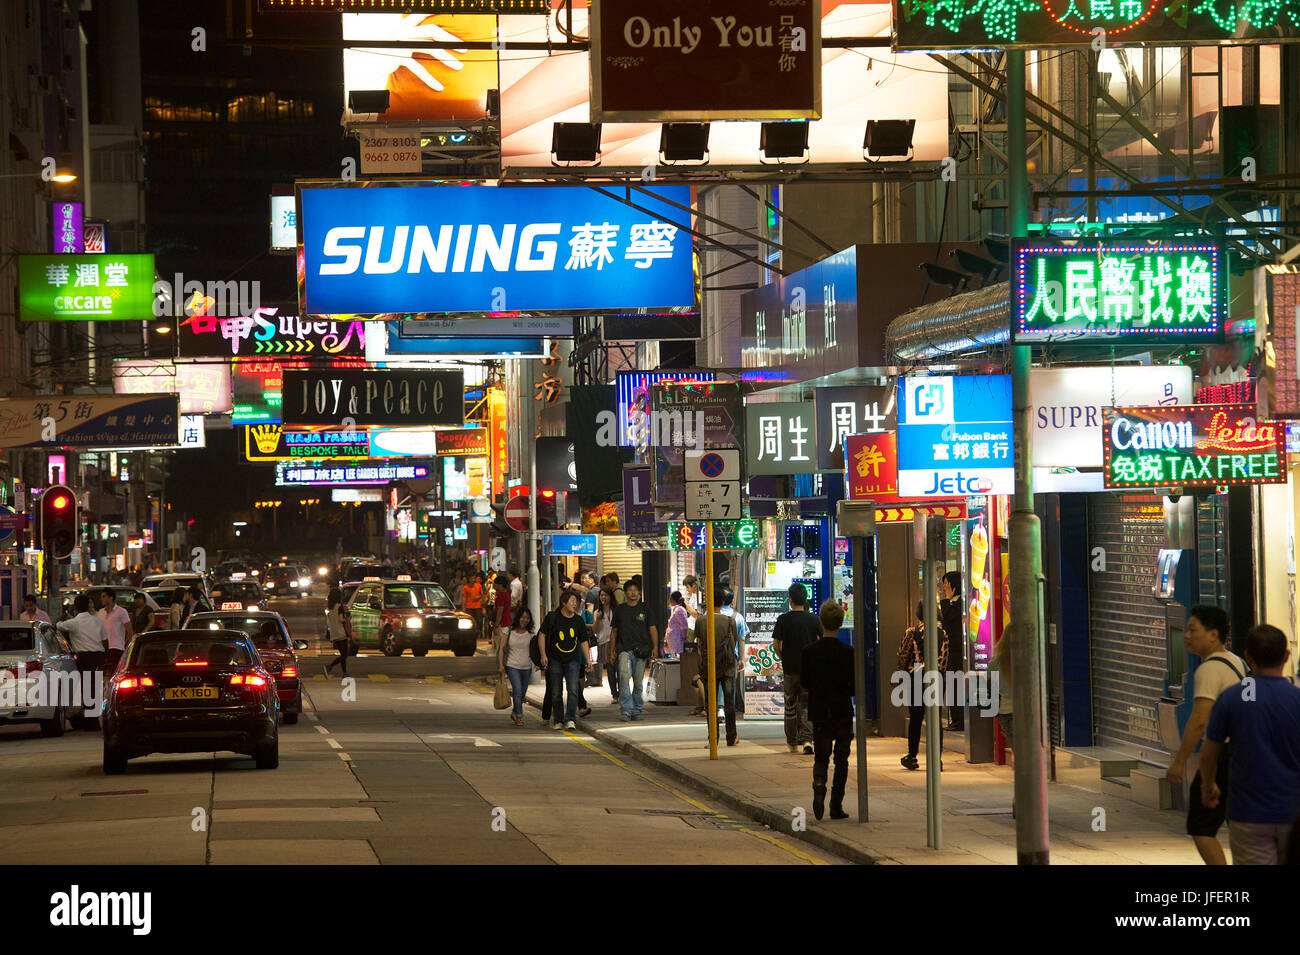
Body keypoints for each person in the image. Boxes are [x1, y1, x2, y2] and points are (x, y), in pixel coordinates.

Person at [1200, 624, 1300, 864]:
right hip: (1294, 814)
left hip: (1248, 814)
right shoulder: (1296, 699)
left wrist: (1208, 787)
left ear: (1248, 657)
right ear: (1286, 656)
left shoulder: (1232, 698)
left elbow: (1208, 755)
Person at [1166, 605, 1247, 865]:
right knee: (1239, 823)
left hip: (1221, 754)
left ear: (1213, 635)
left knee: (1201, 825)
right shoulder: (1235, 661)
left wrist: (1179, 761)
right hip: (1243, 752)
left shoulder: (1209, 669)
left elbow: (1200, 720)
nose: (1187, 635)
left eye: (1193, 630)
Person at [802, 600, 855, 819]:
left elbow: (805, 682)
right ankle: (836, 804)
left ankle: (819, 783)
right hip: (842, 711)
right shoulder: (849, 652)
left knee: (821, 757)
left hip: (820, 711)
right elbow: (853, 685)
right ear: (840, 623)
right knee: (842, 759)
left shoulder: (809, 652)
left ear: (821, 622)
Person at [899, 601, 948, 772]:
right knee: (935, 719)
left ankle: (912, 756)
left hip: (916, 680)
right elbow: (943, 661)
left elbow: (903, 657)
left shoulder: (912, 632)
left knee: (915, 718)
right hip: (937, 679)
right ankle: (937, 759)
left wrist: (914, 670)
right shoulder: (942, 634)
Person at [773, 583, 820, 754]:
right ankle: (807, 740)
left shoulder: (783, 620)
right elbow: (819, 640)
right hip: (810, 670)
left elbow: (776, 644)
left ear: (790, 600)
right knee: (807, 706)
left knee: (790, 706)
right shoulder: (814, 619)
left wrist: (783, 657)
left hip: (790, 670)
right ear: (805, 599)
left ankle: (792, 742)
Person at [58, 594, 110, 729]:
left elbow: (59, 626)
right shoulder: (97, 621)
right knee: (96, 688)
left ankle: (91, 721)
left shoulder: (74, 623)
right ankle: (93, 719)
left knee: (87, 688)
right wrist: (105, 656)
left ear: (75, 607)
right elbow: (105, 640)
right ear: (88, 605)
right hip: (98, 656)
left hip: (84, 658)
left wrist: (62, 617)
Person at [539, 591, 588, 730]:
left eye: (576, 601)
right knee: (556, 691)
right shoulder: (553, 617)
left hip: (573, 660)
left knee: (573, 689)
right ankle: (558, 719)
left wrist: (588, 659)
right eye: (572, 601)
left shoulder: (578, 621)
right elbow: (542, 635)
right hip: (555, 660)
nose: (575, 604)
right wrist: (543, 655)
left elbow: (583, 641)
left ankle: (570, 719)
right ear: (564, 603)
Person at [611, 579, 658, 722]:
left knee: (638, 682)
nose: (633, 593)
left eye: (635, 590)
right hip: (624, 650)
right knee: (624, 678)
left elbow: (652, 628)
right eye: (630, 590)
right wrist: (612, 650)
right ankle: (626, 709)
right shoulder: (620, 609)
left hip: (641, 651)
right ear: (625, 593)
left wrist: (655, 647)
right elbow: (614, 631)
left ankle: (636, 709)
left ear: (639, 592)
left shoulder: (645, 609)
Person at [701, 588, 740, 745]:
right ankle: (731, 737)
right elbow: (734, 643)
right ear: (723, 603)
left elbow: (699, 646)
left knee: (711, 704)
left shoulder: (701, 621)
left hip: (710, 667)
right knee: (729, 703)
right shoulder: (731, 620)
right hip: (728, 666)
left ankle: (713, 740)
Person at [990, 625, 1014, 816]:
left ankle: (1019, 792)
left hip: (1005, 712)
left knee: (1016, 751)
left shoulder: (998, 661)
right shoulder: (1029, 660)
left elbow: (988, 684)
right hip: (1028, 713)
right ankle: (1022, 793)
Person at [499, 608, 536, 727]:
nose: (525, 620)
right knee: (518, 690)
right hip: (512, 665)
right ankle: (519, 716)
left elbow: (535, 651)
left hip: (526, 667)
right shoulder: (508, 631)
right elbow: (501, 649)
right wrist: (501, 665)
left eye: (527, 618)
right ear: (518, 618)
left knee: (522, 693)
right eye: (523, 617)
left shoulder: (531, 634)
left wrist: (537, 663)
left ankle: (515, 712)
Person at [940, 571, 964, 730]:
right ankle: (955, 718)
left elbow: (948, 616)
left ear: (953, 586)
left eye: (946, 584)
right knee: (951, 686)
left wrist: (948, 598)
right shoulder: (949, 604)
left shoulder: (958, 604)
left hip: (958, 652)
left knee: (956, 687)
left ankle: (959, 720)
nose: (943, 588)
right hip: (949, 652)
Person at [720, 589, 749, 716]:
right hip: (732, 655)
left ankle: (718, 708)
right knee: (730, 682)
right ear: (732, 601)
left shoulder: (710, 615)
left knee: (716, 681)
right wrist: (742, 658)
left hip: (714, 655)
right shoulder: (738, 617)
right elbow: (742, 638)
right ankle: (729, 708)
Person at [592, 587, 619, 701]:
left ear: (610, 596)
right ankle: (614, 694)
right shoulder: (597, 612)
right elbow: (595, 631)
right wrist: (597, 619)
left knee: (620, 669)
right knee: (610, 670)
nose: (603, 597)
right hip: (604, 642)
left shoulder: (616, 610)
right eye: (601, 595)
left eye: (606, 595)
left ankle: (621, 691)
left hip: (617, 642)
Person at [97, 589, 132, 673]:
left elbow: (129, 631)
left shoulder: (121, 611)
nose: (101, 599)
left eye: (104, 596)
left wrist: (125, 645)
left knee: (114, 672)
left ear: (111, 597)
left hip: (117, 647)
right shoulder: (100, 612)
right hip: (103, 647)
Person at [324, 587, 350, 677]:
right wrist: (346, 618)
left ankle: (344, 673)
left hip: (334, 634)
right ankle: (329, 666)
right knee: (345, 655)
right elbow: (341, 619)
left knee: (343, 654)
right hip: (341, 633)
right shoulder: (340, 607)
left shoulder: (330, 608)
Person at [461, 572, 485, 641]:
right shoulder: (465, 587)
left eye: (474, 578)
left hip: (478, 607)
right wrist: (464, 608)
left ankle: (478, 634)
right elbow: (464, 598)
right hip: (469, 607)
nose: (473, 579)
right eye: (472, 578)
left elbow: (483, 596)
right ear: (469, 579)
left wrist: (482, 606)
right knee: (470, 621)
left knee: (479, 621)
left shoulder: (478, 585)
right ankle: (471, 634)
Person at [664, 591, 689, 657]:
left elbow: (684, 626)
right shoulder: (677, 609)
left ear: (672, 599)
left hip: (677, 641)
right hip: (675, 641)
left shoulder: (679, 610)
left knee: (677, 660)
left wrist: (684, 638)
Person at [492, 575, 512, 649]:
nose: (493, 585)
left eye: (494, 583)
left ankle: (500, 661)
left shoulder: (501, 596)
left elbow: (499, 613)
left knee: (500, 648)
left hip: (502, 625)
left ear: (499, 585)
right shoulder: (507, 594)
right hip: (506, 623)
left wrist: (496, 626)